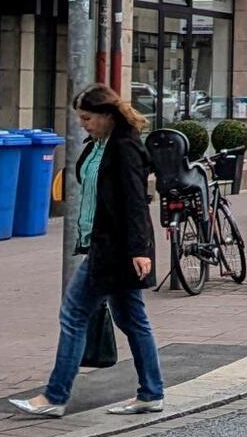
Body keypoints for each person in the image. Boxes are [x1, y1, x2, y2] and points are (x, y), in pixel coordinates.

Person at [10, 85, 166, 418]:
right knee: (132, 319)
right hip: (107, 245)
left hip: (114, 249)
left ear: (107, 115)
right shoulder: (99, 145)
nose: (83, 124)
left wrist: (140, 250)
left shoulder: (124, 149)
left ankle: (55, 396)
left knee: (73, 315)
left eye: (88, 117)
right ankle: (151, 392)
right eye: (81, 118)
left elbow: (135, 202)